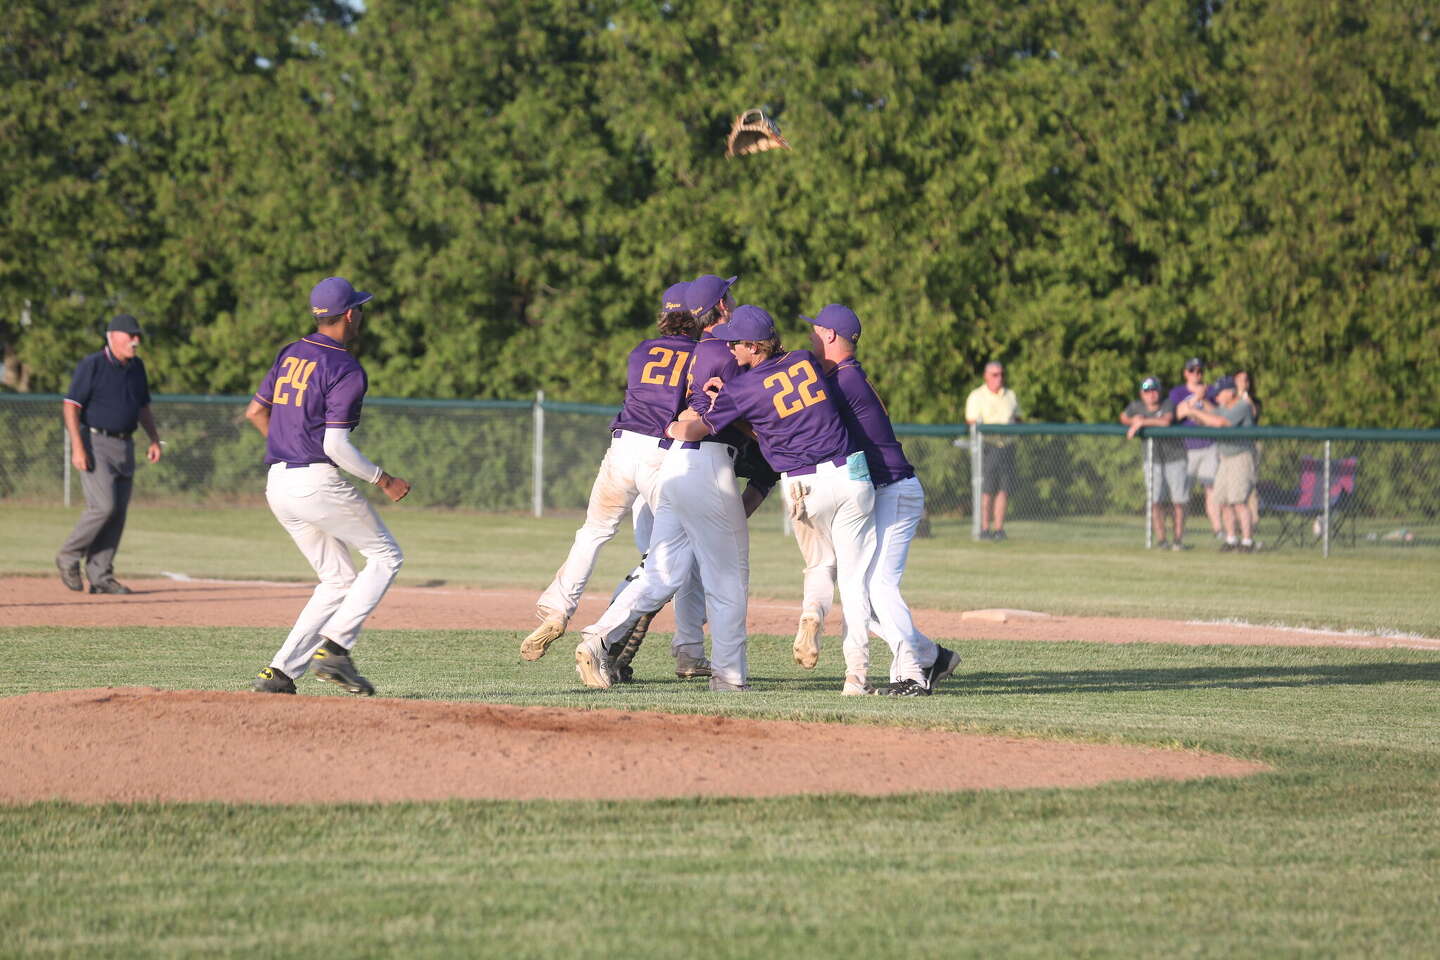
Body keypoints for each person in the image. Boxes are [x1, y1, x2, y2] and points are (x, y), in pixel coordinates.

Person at [669, 305, 888, 696]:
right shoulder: (805, 359)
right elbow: (788, 403)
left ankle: (810, 614)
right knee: (854, 582)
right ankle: (855, 676)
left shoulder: (741, 389)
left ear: (755, 346)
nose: (731, 348)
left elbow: (697, 429)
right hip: (849, 474)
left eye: (736, 342)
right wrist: (739, 403)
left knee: (819, 564)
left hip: (803, 486)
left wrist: (669, 421)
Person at [518, 281, 710, 679]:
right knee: (674, 556)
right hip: (662, 454)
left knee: (593, 533)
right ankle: (632, 640)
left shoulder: (640, 350)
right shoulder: (700, 355)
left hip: (622, 449)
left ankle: (557, 608)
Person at [573, 274, 752, 692]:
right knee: (728, 579)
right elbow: (737, 409)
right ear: (722, 306)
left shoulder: (697, 352)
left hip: (675, 467)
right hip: (709, 464)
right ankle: (728, 679)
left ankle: (598, 637)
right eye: (729, 295)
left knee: (661, 574)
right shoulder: (725, 350)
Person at [245, 277, 410, 695]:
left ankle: (280, 673)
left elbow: (255, 412)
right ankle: (336, 648)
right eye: (360, 309)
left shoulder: (291, 352)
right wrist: (383, 479)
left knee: (337, 580)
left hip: (278, 483)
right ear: (350, 314)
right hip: (314, 480)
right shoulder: (345, 367)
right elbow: (335, 445)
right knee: (386, 556)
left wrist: (289, 445)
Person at [805, 303, 962, 696]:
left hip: (894, 490)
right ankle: (932, 656)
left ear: (828, 336)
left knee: (878, 587)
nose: (810, 337)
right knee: (862, 591)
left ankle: (912, 674)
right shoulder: (843, 376)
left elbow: (802, 415)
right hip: (881, 491)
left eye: (815, 331)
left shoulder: (844, 381)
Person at [55, 314, 163, 594]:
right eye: (130, 335)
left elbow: (142, 407)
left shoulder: (136, 367)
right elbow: (71, 406)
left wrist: (154, 439)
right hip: (96, 444)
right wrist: (77, 447)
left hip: (125, 445)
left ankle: (100, 576)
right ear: (113, 336)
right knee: (103, 507)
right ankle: (68, 555)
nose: (136, 340)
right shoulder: (93, 365)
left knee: (117, 514)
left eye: (137, 335)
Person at [1188, 375, 1257, 552]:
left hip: (1240, 457)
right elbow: (1211, 415)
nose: (1216, 396)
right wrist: (1197, 406)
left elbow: (1222, 422)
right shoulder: (1223, 407)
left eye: (1219, 393)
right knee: (1223, 500)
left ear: (1230, 392)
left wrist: (1195, 411)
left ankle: (1248, 541)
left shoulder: (1242, 405)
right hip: (1225, 458)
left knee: (1239, 501)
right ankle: (1231, 539)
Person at [1120, 375, 1187, 549]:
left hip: (1175, 457)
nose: (1151, 394)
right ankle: (1162, 540)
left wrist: (1142, 422)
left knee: (1178, 501)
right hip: (1152, 460)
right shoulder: (1136, 406)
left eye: (1154, 390)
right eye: (1147, 391)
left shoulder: (1167, 403)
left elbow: (1165, 422)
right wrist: (1132, 421)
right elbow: (1123, 417)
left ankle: (1178, 540)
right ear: (1142, 393)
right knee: (1155, 500)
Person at [1168, 357, 1224, 542]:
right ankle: (1178, 536)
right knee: (1182, 494)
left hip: (1209, 445)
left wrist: (1197, 405)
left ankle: (1219, 532)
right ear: (1186, 373)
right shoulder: (1178, 392)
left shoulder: (1211, 392)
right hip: (1186, 448)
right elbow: (1176, 413)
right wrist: (1196, 400)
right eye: (1192, 370)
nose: (1196, 374)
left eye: (1199, 371)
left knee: (1212, 490)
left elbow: (1216, 417)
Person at [964, 361, 1021, 540]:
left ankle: (999, 529)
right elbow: (971, 421)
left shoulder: (1010, 395)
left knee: (1004, 489)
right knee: (986, 489)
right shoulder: (977, 396)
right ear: (986, 376)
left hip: (1006, 447)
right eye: (995, 375)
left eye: (1001, 374)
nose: (999, 378)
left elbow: (1019, 418)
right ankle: (984, 528)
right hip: (987, 447)